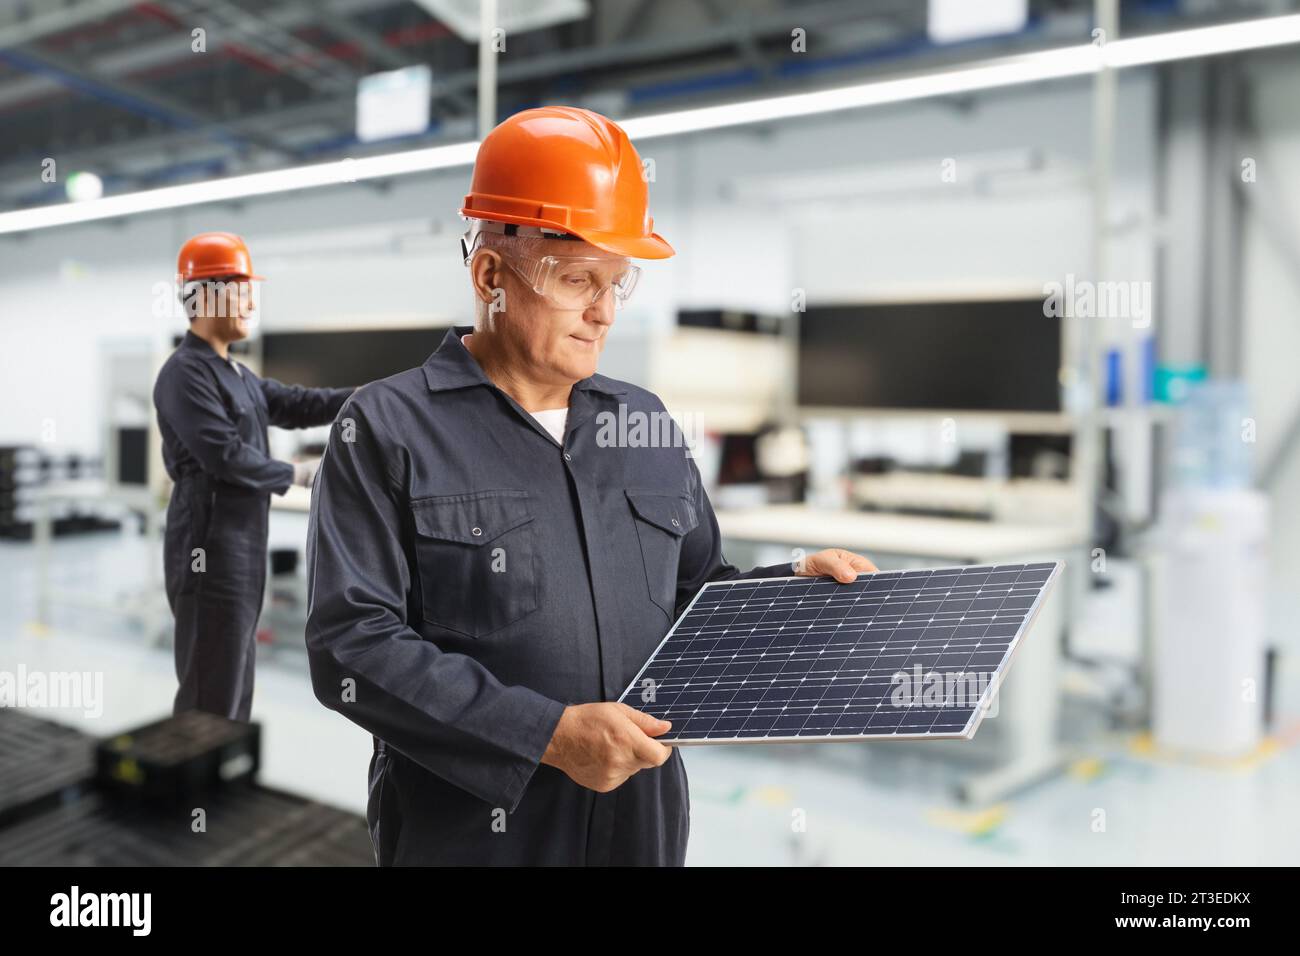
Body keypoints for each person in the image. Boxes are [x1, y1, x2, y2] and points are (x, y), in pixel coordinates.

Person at [304, 107, 876, 865]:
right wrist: (545, 735)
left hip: (640, 824)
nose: (604, 311)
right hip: (474, 832)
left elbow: (696, 593)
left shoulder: (641, 420)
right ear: (490, 275)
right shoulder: (385, 426)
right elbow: (350, 646)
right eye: (578, 279)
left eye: (616, 282)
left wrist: (791, 585)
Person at [154, 231, 353, 722]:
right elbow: (224, 456)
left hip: (242, 543)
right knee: (210, 686)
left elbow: (302, 403)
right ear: (205, 296)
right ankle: (195, 791)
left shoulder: (236, 374)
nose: (249, 301)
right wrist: (299, 473)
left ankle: (220, 780)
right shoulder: (185, 374)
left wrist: (378, 394)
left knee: (236, 677)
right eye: (240, 289)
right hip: (209, 547)